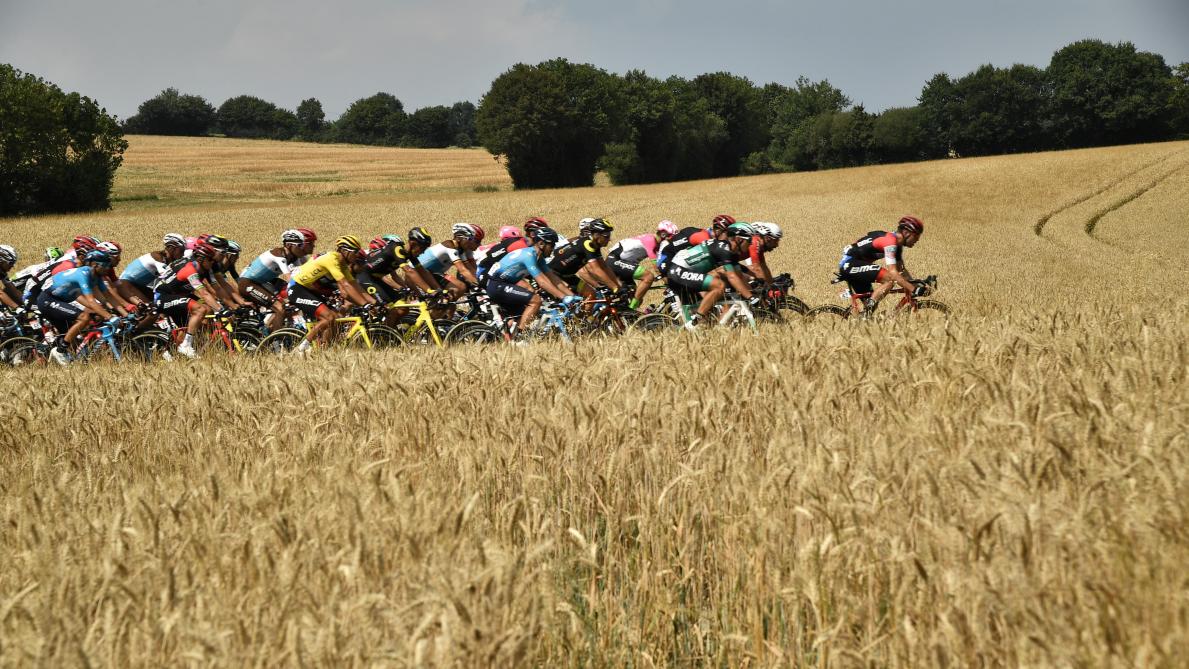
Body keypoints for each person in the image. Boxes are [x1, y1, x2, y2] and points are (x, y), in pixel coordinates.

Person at [288, 235, 376, 352]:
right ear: (344, 251)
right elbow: (345, 285)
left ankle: (322, 348)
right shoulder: (331, 259)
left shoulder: (342, 264)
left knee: (335, 316)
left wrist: (375, 303)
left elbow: (356, 286)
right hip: (297, 288)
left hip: (309, 290)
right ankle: (301, 348)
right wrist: (365, 305)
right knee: (328, 317)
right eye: (355, 252)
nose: (357, 255)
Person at [485, 227, 581, 333]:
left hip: (503, 284)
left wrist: (571, 296)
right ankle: (519, 337)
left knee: (523, 315)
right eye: (552, 245)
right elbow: (542, 282)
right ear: (541, 244)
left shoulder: (539, 259)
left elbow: (554, 279)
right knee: (535, 301)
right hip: (497, 285)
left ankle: (508, 340)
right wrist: (563, 297)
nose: (553, 248)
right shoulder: (529, 256)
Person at [666, 222, 759, 328]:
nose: (751, 244)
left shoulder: (731, 252)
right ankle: (696, 320)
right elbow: (732, 277)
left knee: (710, 313)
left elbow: (739, 276)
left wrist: (756, 286)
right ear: (739, 239)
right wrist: (751, 297)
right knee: (719, 286)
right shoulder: (724, 249)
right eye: (749, 240)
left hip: (681, 272)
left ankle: (692, 324)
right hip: (678, 271)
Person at [36, 250, 120, 365]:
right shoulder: (83, 274)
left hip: (61, 300)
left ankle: (63, 356)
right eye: (105, 266)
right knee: (84, 318)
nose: (108, 269)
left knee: (82, 327)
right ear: (95, 265)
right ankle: (61, 351)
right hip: (48, 300)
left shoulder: (97, 277)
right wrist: (110, 317)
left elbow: (107, 298)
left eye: (109, 266)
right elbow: (91, 301)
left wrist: (124, 314)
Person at [837, 216, 925, 315]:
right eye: (916, 235)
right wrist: (913, 289)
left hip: (854, 266)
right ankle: (867, 312)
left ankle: (863, 320)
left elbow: (901, 271)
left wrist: (916, 283)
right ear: (906, 233)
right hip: (850, 264)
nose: (917, 239)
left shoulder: (896, 245)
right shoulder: (890, 242)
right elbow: (893, 273)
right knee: (890, 279)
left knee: (868, 313)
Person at [154, 241, 227, 358]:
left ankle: (187, 348)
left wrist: (224, 305)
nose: (213, 262)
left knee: (207, 310)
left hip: (178, 295)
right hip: (163, 296)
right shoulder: (190, 269)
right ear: (202, 259)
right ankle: (186, 345)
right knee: (200, 309)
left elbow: (216, 289)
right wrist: (221, 309)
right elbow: (204, 293)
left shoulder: (205, 268)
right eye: (210, 260)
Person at [239, 229, 309, 331]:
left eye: (303, 245)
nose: (302, 249)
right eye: (300, 245)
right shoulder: (279, 255)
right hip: (247, 284)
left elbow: (302, 274)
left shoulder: (293, 257)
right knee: (280, 308)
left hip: (263, 282)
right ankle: (275, 339)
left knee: (287, 304)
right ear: (289, 245)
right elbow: (289, 278)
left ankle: (278, 327)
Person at [606, 220, 678, 309]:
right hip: (614, 260)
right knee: (648, 277)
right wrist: (671, 283)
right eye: (671, 237)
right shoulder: (650, 240)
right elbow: (657, 266)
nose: (671, 241)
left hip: (620, 262)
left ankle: (625, 314)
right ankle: (631, 310)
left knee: (637, 296)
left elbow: (665, 262)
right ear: (663, 234)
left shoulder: (658, 245)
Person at [547, 217, 622, 298]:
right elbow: (596, 270)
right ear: (596, 235)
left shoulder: (594, 245)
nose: (609, 239)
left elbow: (604, 267)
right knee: (573, 300)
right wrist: (614, 287)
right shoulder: (587, 244)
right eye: (606, 236)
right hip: (554, 275)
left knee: (591, 295)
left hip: (569, 276)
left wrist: (618, 284)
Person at [417, 223, 483, 298]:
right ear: (458, 238)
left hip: (434, 273)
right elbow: (463, 270)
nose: (479, 245)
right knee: (460, 287)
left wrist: (481, 281)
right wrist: (480, 284)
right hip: (421, 273)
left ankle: (444, 307)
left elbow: (471, 268)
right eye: (475, 241)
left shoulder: (461, 249)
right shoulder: (450, 248)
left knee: (460, 288)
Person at [117, 233, 187, 303]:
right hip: (126, 285)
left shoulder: (166, 260)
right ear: (171, 248)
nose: (183, 254)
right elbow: (166, 277)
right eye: (181, 250)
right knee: (152, 309)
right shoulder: (158, 258)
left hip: (137, 286)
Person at [657, 214, 734, 273]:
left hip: (679, 258)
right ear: (718, 231)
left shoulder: (708, 235)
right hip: (667, 259)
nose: (731, 238)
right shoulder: (703, 236)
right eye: (730, 235)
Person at [0, 245, 22, 311]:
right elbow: (0, 293)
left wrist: (26, 303)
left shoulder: (1, 270)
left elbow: (12, 288)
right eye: (10, 263)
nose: (12, 266)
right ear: (1, 260)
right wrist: (17, 308)